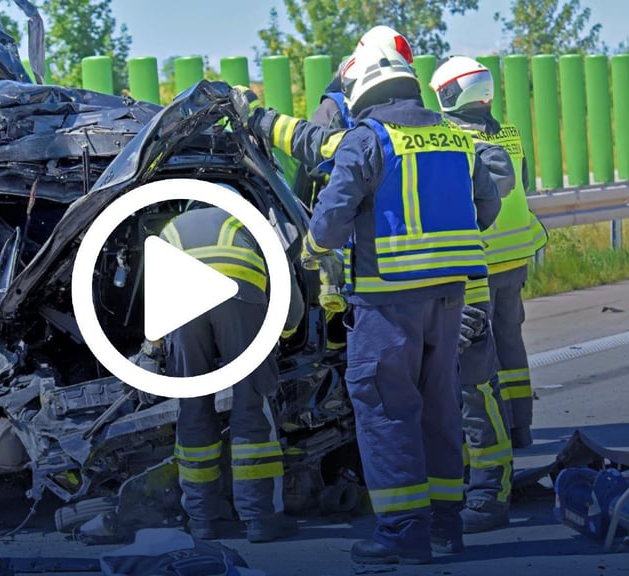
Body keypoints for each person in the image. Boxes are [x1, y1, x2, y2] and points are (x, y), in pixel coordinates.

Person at [236, 43, 501, 564]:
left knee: (387, 411)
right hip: (449, 299)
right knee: (439, 407)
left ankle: (404, 533)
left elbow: (331, 221)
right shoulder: (454, 136)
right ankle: (447, 525)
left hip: (387, 305)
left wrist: (312, 251)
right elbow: (487, 207)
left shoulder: (368, 138)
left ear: (360, 91)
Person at [136, 183, 304, 544]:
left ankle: (201, 520)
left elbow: (155, 302)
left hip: (184, 305)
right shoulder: (252, 224)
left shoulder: (172, 229)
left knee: (193, 412)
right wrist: (285, 335)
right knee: (250, 407)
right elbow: (291, 302)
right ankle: (259, 519)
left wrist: (155, 348)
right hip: (240, 299)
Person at [429, 57, 548, 450]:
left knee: (478, 350)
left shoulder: (456, 137)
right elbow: (523, 183)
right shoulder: (509, 133)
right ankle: (521, 428)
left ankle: (486, 433)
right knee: (511, 342)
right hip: (517, 256)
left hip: (482, 259)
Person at [430, 56, 521, 533]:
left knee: (475, 391)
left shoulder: (476, 145)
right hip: (439, 286)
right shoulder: (478, 140)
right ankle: (468, 489)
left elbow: (491, 196)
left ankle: (488, 495)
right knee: (458, 393)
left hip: (466, 285)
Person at [290, 25, 417, 356]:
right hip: (346, 227)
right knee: (341, 320)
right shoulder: (334, 105)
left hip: (378, 233)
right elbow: (312, 166)